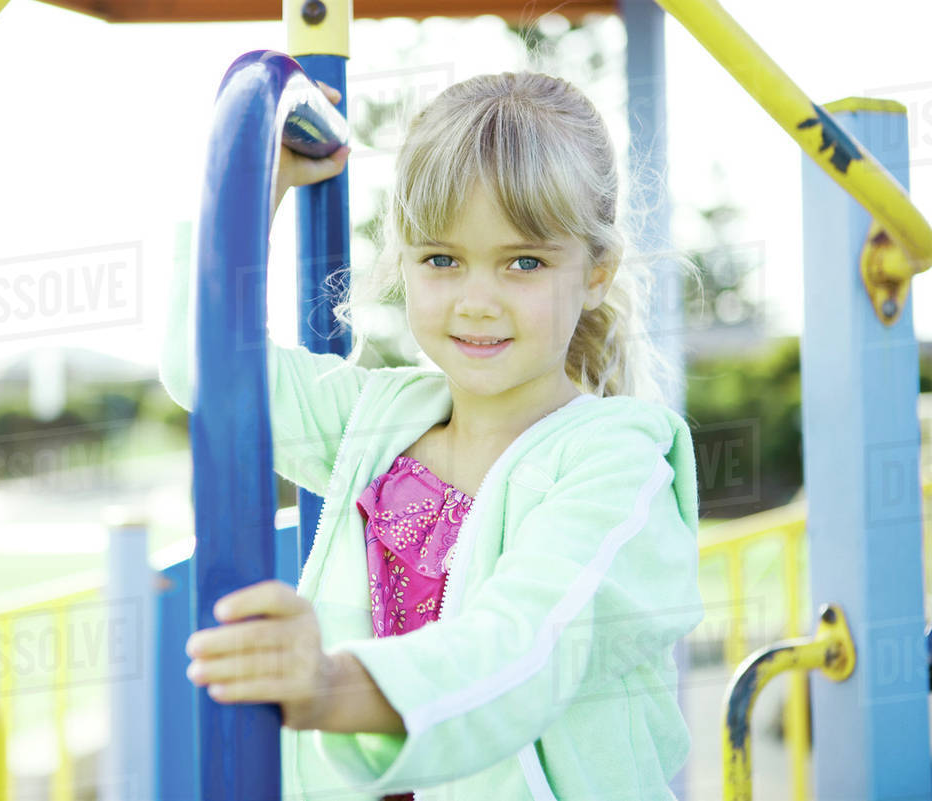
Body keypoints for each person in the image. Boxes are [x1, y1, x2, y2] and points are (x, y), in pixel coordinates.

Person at [160, 72, 704, 801]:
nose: (477, 302)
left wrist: (330, 683)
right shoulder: (379, 418)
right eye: (442, 259)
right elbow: (209, 367)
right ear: (405, 262)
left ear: (596, 272)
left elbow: (524, 648)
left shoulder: (618, 462)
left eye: (524, 262)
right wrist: (256, 186)